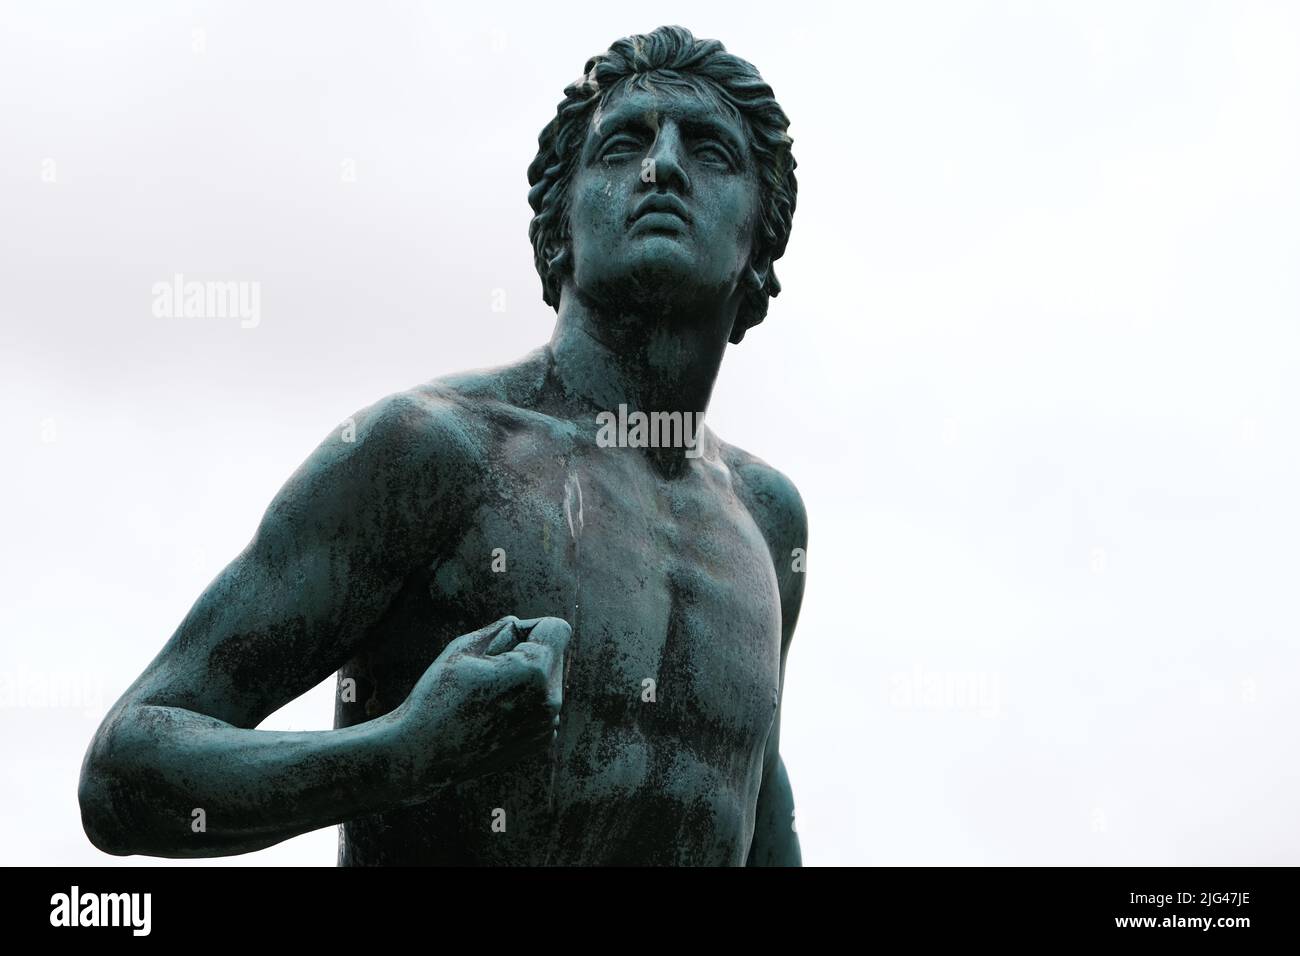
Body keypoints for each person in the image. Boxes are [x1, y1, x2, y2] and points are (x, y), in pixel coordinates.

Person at [79, 24, 805, 866]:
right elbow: (124, 766)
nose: (662, 166)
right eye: (623, 145)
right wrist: (401, 754)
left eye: (710, 149)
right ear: (558, 229)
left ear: (760, 247)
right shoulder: (432, 452)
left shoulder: (767, 519)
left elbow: (750, 800)